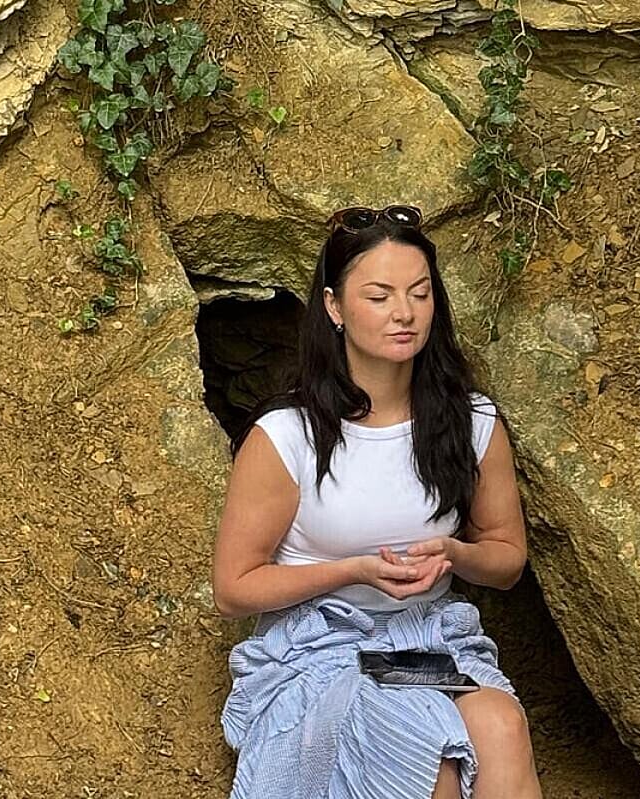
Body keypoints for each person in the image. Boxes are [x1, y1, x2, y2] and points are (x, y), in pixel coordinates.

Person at [211, 204, 542, 799]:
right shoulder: (287, 435)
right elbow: (234, 589)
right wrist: (355, 571)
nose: (404, 313)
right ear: (335, 307)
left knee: (500, 723)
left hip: (424, 642)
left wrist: (453, 554)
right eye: (380, 295)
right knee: (421, 748)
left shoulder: (471, 422)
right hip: (321, 645)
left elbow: (507, 558)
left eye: (419, 293)